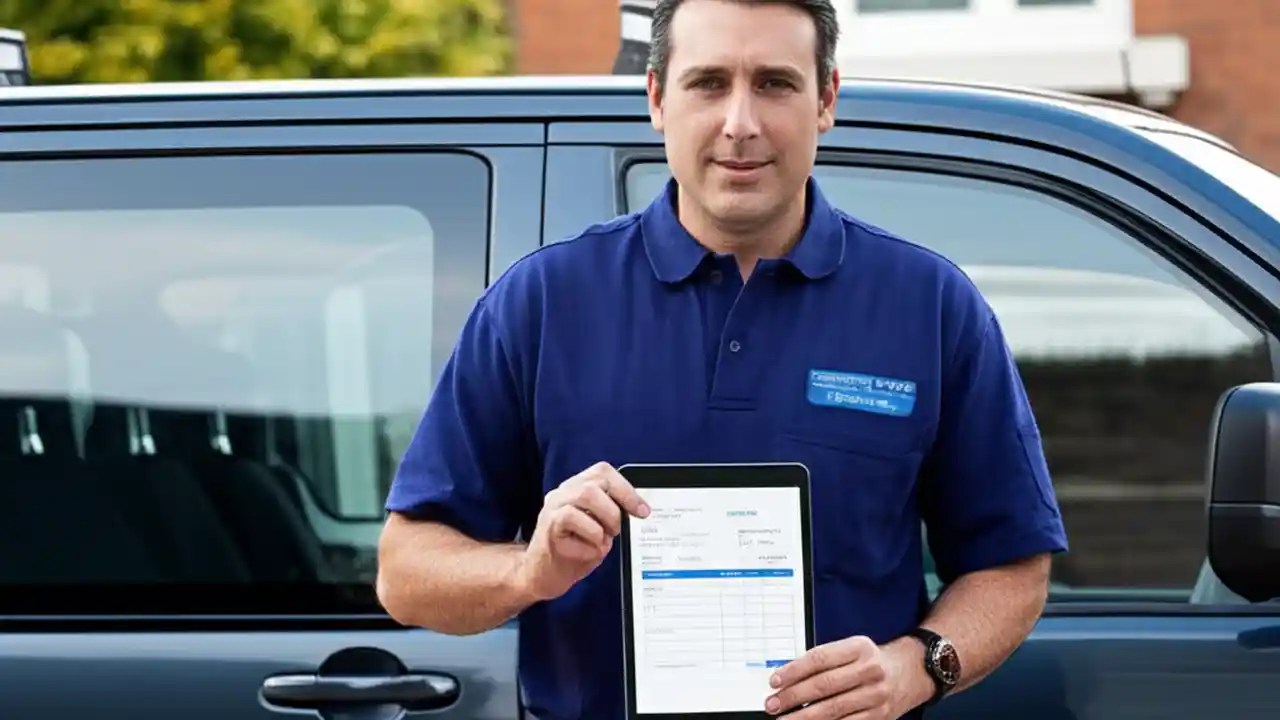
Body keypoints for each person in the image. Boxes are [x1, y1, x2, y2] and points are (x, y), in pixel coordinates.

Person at [376, 0, 1069, 718]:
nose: (741, 122)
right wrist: (528, 571)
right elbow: (406, 574)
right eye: (709, 82)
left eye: (774, 83)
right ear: (656, 99)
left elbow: (1013, 568)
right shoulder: (542, 302)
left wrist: (916, 666)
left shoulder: (930, 305)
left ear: (826, 99)